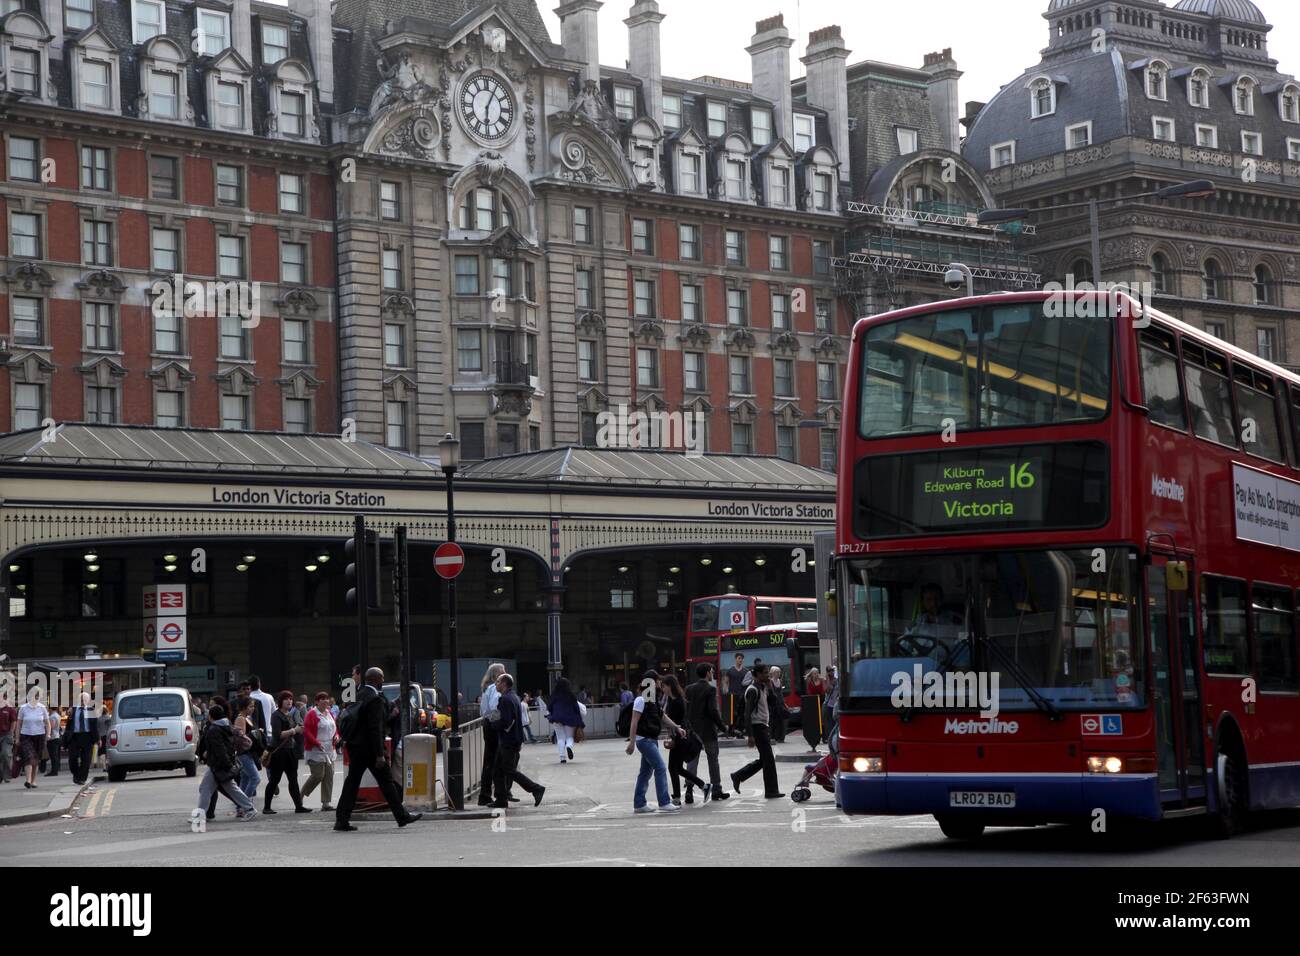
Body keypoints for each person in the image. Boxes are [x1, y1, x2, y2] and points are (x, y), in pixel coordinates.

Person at [335, 667, 421, 830]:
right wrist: (380, 754)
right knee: (386, 782)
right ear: (376, 679)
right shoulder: (373, 698)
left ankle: (341, 819)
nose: (383, 680)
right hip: (370, 749)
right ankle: (401, 816)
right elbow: (375, 728)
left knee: (352, 783)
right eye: (382, 677)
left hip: (355, 746)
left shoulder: (359, 694)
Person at [624, 671, 683, 814]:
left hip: (651, 740)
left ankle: (639, 804)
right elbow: (634, 722)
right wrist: (631, 742)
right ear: (650, 682)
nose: (659, 684)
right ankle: (664, 802)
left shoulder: (653, 700)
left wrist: (676, 727)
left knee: (645, 772)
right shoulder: (640, 700)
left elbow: (663, 717)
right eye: (657, 681)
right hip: (644, 740)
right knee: (661, 767)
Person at [490, 673, 545, 809]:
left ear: (504, 684)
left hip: (508, 741)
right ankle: (501, 799)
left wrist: (493, 724)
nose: (495, 684)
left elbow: (506, 722)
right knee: (498, 770)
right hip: (512, 740)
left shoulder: (507, 699)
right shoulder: (513, 697)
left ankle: (536, 789)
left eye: (497, 682)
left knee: (509, 770)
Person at [196, 704, 256, 823]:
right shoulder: (227, 725)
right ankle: (200, 815)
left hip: (218, 764)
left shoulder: (214, 729)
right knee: (207, 788)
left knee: (212, 789)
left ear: (211, 716)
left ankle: (250, 809)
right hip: (221, 763)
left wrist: (225, 764)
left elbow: (219, 749)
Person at [730, 664, 783, 799]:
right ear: (757, 674)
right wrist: (750, 735)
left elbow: (773, 703)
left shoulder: (764, 688)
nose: (768, 675)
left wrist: (771, 688)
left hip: (763, 726)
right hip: (757, 727)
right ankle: (771, 791)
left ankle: (738, 776)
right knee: (769, 759)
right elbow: (747, 714)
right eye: (765, 673)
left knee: (764, 759)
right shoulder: (753, 690)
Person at [660, 675, 710, 805]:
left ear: (669, 686)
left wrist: (674, 740)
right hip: (678, 737)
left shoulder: (677, 702)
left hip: (681, 738)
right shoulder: (672, 700)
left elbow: (677, 722)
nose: (662, 689)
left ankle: (677, 798)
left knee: (673, 768)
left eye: (663, 686)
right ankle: (703, 786)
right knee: (678, 768)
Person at [685, 663, 729, 802]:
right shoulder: (710, 689)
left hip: (692, 730)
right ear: (708, 673)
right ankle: (716, 790)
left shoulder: (689, 689)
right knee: (713, 761)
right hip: (708, 731)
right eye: (712, 671)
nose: (713, 674)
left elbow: (686, 710)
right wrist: (722, 726)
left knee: (692, 761)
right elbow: (713, 710)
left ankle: (689, 791)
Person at [264, 691, 309, 814]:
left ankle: (298, 806)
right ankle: (266, 807)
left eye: (290, 699)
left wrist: (299, 729)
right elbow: (278, 735)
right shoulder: (276, 715)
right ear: (280, 701)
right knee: (274, 780)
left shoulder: (290, 714)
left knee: (293, 780)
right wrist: (294, 730)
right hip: (279, 752)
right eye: (286, 699)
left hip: (290, 751)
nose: (289, 701)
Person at [301, 692, 337, 811]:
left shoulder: (329, 713)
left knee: (329, 776)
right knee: (318, 775)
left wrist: (336, 736)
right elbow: (307, 732)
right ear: (317, 701)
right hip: (316, 749)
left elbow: (335, 729)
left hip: (329, 749)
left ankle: (326, 803)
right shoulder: (311, 714)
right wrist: (317, 743)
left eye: (326, 698)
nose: (325, 701)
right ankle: (300, 796)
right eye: (322, 699)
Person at [476, 662, 506, 806]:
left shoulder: (486, 688)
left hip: (487, 724)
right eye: (502, 671)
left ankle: (484, 794)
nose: (505, 673)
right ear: (496, 675)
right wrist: (499, 723)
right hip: (492, 725)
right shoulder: (495, 688)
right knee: (495, 760)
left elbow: (483, 711)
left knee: (488, 760)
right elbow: (495, 708)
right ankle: (492, 793)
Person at [231, 696, 263, 802]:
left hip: (248, 753)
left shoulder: (247, 718)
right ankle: (245, 804)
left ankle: (239, 806)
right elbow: (241, 738)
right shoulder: (240, 718)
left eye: (253, 706)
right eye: (250, 706)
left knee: (245, 780)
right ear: (244, 707)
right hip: (243, 754)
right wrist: (256, 733)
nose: (253, 708)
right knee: (255, 778)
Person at [545, 677, 583, 764]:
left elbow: (549, 707)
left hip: (556, 718)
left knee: (560, 738)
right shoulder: (571, 695)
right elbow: (576, 707)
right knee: (569, 736)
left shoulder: (554, 695)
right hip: (569, 718)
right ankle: (569, 746)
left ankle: (562, 757)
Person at [17, 689, 49, 789]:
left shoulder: (42, 708)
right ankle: (28, 780)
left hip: (39, 735)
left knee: (36, 758)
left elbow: (47, 723)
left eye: (38, 696)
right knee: (28, 757)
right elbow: (19, 724)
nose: (35, 698)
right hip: (26, 735)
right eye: (34, 695)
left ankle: (33, 780)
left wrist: (48, 734)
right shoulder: (23, 708)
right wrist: (17, 738)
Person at [66, 692, 98, 786]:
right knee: (72, 759)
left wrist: (97, 739)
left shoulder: (91, 711)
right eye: (81, 700)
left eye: (85, 700)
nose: (83, 702)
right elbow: (68, 725)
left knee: (86, 759)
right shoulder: (73, 710)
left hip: (87, 736)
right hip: (74, 737)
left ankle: (82, 778)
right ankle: (76, 774)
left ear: (88, 701)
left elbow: (94, 726)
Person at [723, 653, 749, 737]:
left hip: (742, 695)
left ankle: (740, 731)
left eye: (742, 658)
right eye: (739, 658)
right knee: (732, 714)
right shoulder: (730, 670)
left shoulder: (746, 671)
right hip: (732, 695)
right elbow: (726, 682)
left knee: (741, 714)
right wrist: (726, 689)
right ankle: (730, 730)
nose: (740, 660)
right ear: (735, 659)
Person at [247, 675, 276, 742]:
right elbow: (274, 714)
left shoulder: (248, 699)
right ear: (259, 683)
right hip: (269, 732)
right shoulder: (269, 697)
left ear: (249, 686)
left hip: (253, 734)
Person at [768, 667, 789, 744]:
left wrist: (784, 703)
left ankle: (780, 737)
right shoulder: (770, 681)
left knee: (781, 721)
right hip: (773, 704)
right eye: (777, 672)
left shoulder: (779, 681)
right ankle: (772, 737)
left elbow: (781, 694)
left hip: (780, 703)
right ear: (773, 673)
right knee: (773, 722)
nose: (778, 674)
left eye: (779, 672)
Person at [0, 696, 15, 784]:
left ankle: (6, 776)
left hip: (6, 735)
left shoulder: (10, 709)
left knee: (5, 754)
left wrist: (11, 733)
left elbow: (14, 721)